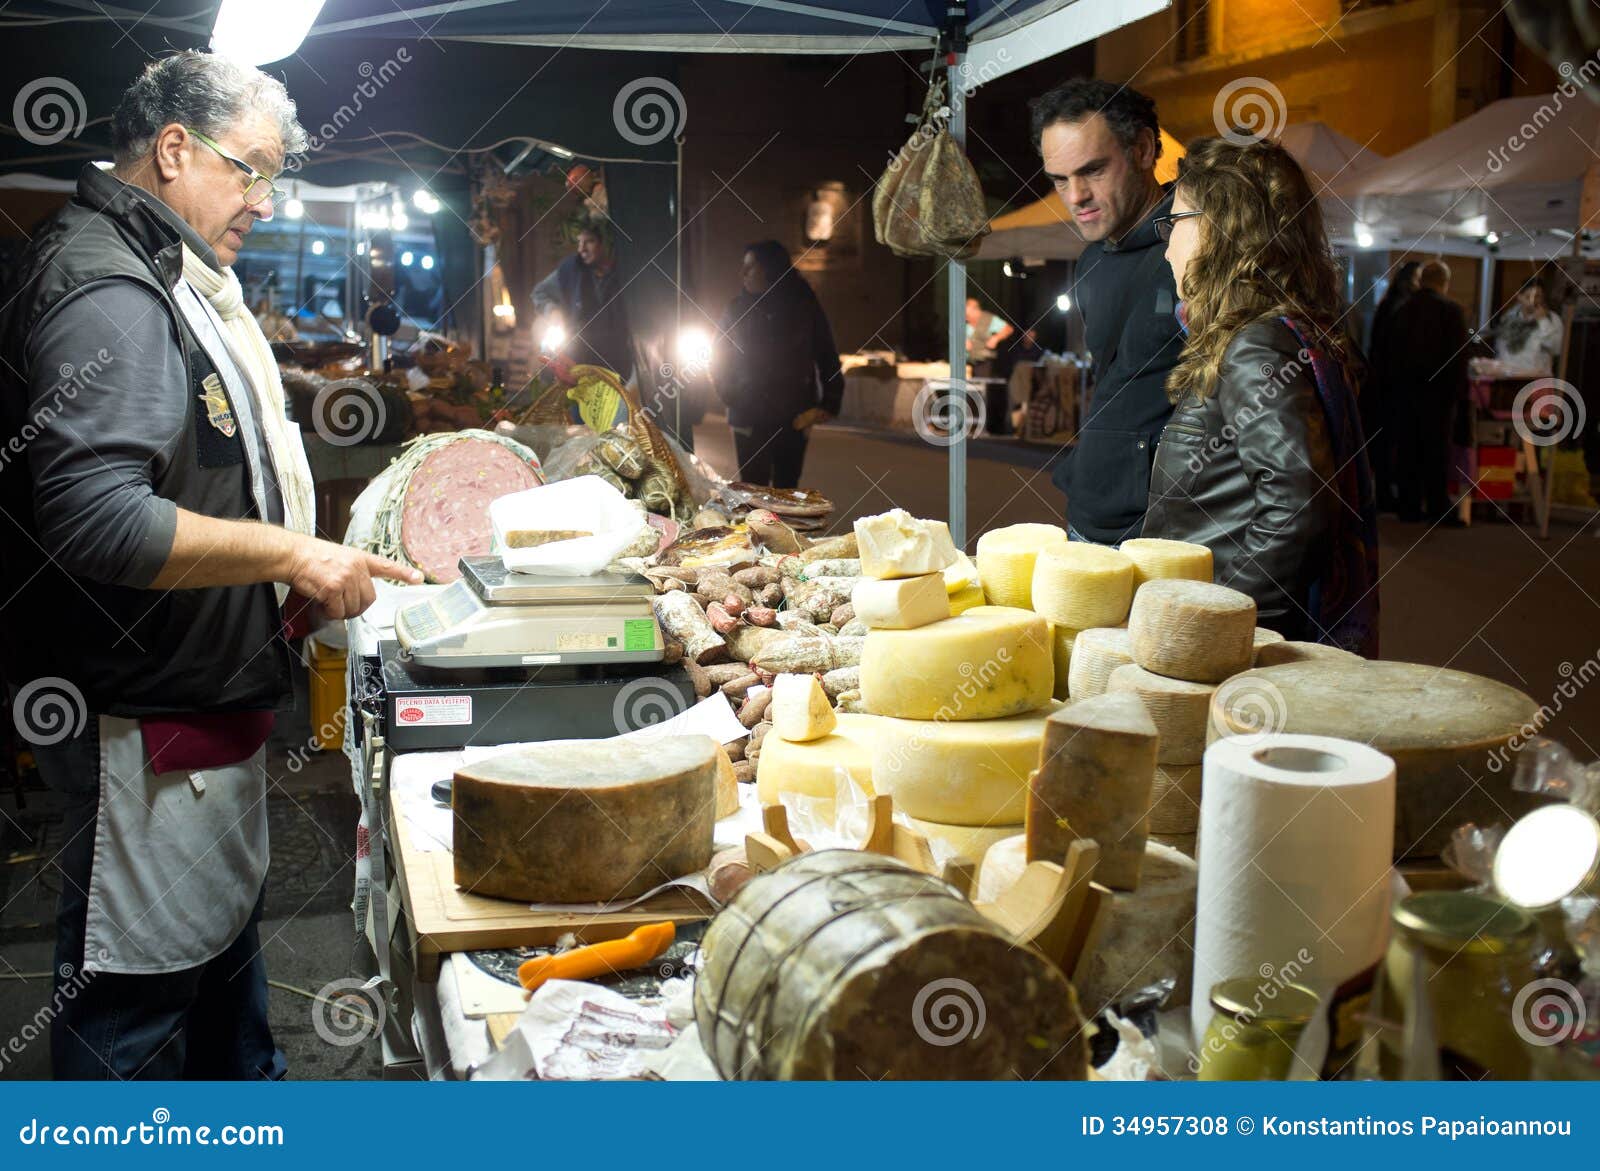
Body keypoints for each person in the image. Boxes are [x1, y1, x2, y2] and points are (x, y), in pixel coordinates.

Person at [0, 51, 421, 1080]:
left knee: (219, 974)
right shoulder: (107, 284)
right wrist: (296, 553)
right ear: (174, 148)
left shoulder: (155, 261)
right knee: (134, 1007)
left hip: (195, 698)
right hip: (143, 711)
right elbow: (100, 521)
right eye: (252, 170)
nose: (266, 201)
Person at [1140, 136, 1379, 654]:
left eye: (1174, 222)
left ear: (1218, 227)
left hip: (1231, 646)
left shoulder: (1255, 344)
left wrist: (1218, 622)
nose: (1167, 246)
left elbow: (1299, 511)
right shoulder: (1277, 333)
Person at [1031, 78, 1182, 543]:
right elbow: (1116, 387)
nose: (1075, 196)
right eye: (1060, 180)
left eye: (1093, 170)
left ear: (1143, 150)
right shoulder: (1091, 260)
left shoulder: (1199, 246)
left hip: (1164, 530)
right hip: (1090, 513)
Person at [713, 240, 843, 488]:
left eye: (750, 267)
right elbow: (718, 357)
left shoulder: (803, 305)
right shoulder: (735, 310)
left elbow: (826, 352)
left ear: (770, 269)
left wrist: (830, 401)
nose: (743, 273)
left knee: (787, 490)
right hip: (748, 415)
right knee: (753, 490)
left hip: (794, 416)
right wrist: (732, 394)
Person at [1386, 260, 1470, 525]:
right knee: (1437, 452)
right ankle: (1437, 506)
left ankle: (1409, 506)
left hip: (1406, 393)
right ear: (1444, 283)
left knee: (1408, 450)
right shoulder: (1452, 311)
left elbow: (1390, 355)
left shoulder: (1402, 310)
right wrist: (1458, 394)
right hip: (1439, 396)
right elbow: (1458, 359)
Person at [532, 221, 635, 381]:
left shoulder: (627, 272)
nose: (582, 249)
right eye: (579, 242)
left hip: (617, 366)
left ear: (607, 243)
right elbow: (540, 293)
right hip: (579, 364)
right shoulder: (572, 269)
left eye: (589, 241)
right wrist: (553, 311)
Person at [1366, 261, 1420, 512]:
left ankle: (1385, 494)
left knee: (1385, 442)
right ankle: (1391, 495)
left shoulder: (1388, 304)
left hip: (1383, 383)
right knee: (1396, 442)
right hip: (1396, 385)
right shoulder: (1404, 306)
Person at [1493, 279, 1563, 374]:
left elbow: (1556, 348)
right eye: (1528, 296)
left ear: (1543, 298)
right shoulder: (1508, 318)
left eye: (1537, 296)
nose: (1532, 301)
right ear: (1519, 296)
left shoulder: (1552, 319)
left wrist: (1542, 321)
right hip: (1508, 376)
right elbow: (1500, 349)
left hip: (1537, 378)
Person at [964, 296, 1014, 370]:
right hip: (963, 362)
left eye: (968, 315)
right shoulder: (960, 322)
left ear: (977, 310)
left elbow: (1009, 329)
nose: (967, 318)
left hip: (982, 362)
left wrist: (996, 338)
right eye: (966, 316)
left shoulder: (988, 319)